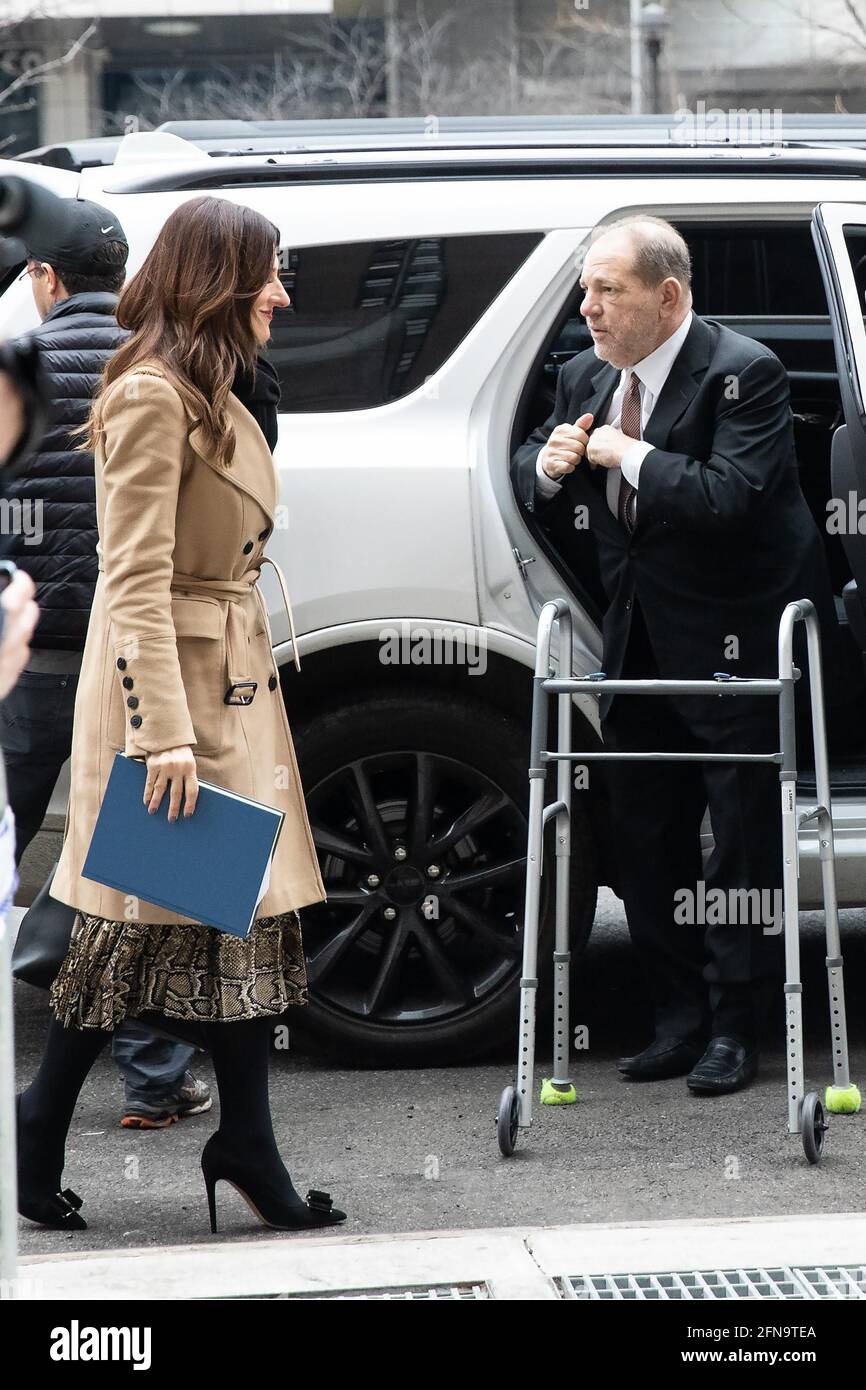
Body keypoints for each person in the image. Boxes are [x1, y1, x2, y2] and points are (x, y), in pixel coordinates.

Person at [15, 194, 346, 1233]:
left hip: (222, 682)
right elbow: (135, 580)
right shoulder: (152, 394)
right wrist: (163, 732)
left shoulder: (210, 384)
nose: (282, 295)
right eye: (267, 277)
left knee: (213, 920)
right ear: (220, 281)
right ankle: (54, 1124)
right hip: (176, 702)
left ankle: (233, 1139)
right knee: (139, 925)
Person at [511, 214, 840, 1095]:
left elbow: (731, 497)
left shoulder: (746, 372)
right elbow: (532, 468)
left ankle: (738, 1028)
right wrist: (548, 468)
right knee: (646, 832)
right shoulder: (584, 373)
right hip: (636, 635)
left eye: (605, 290)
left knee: (738, 839)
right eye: (586, 289)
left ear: (668, 296)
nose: (587, 308)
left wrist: (632, 453)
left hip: (736, 631)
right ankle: (677, 1020)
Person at [1, 199, 211, 1130]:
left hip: (27, 661)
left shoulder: (18, 372)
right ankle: (156, 1076)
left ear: (45, 278)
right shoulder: (158, 373)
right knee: (145, 866)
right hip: (133, 665)